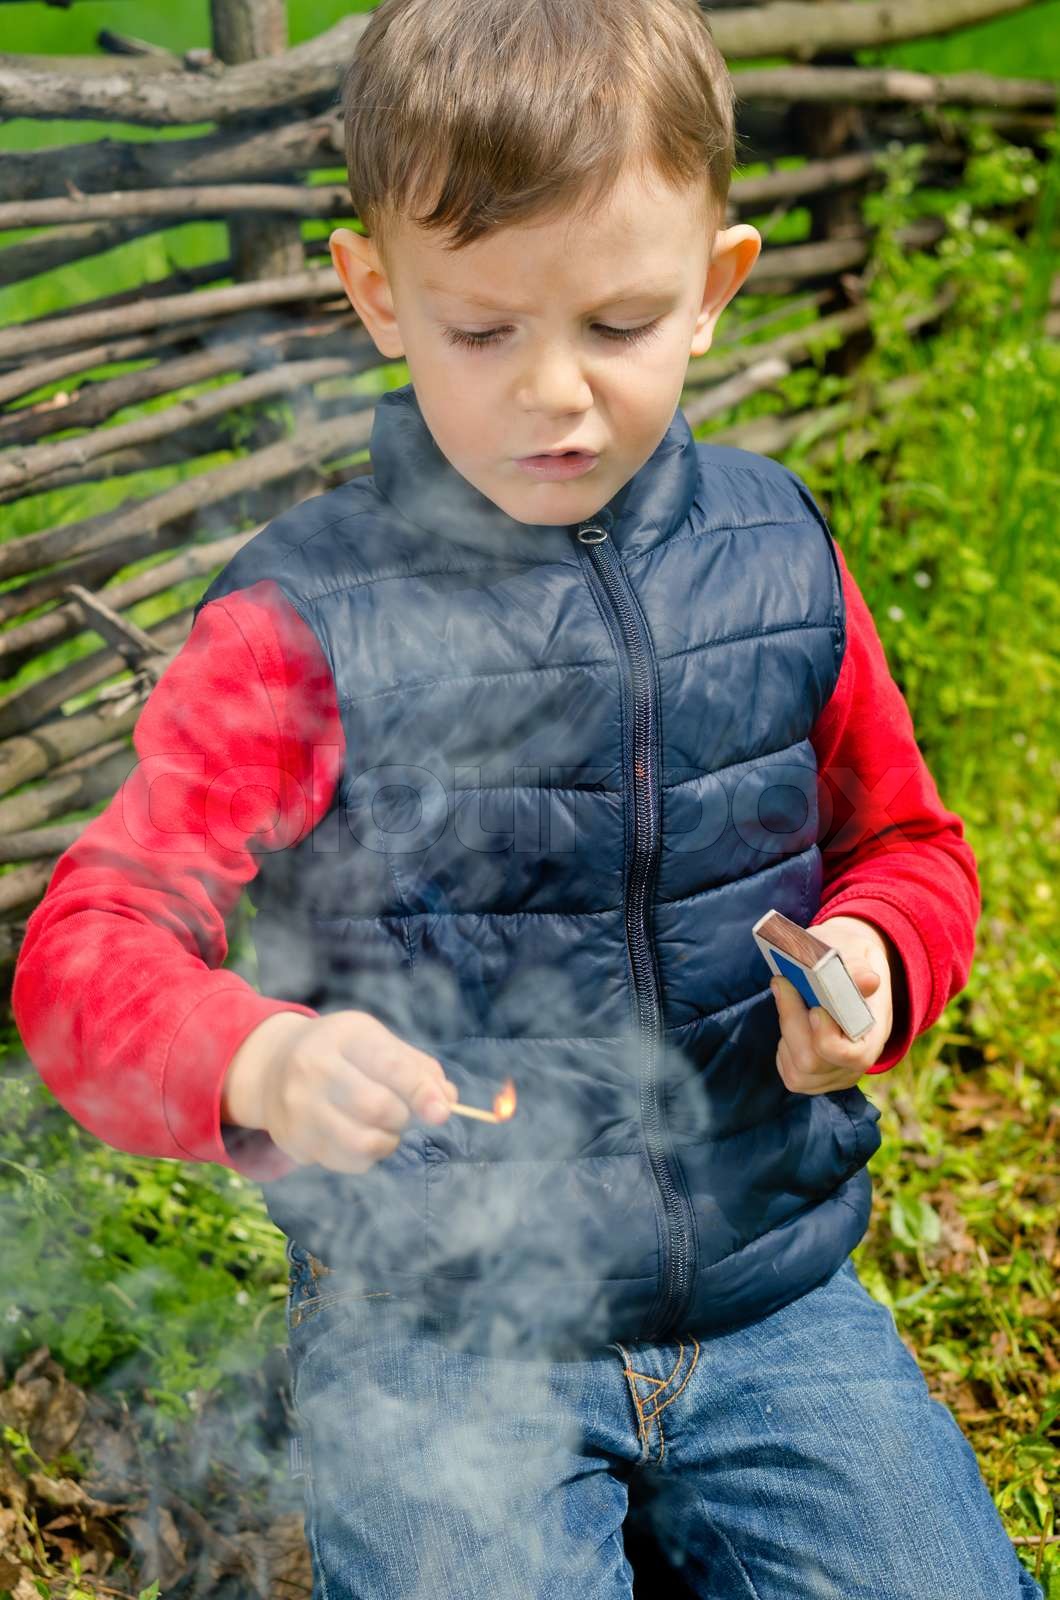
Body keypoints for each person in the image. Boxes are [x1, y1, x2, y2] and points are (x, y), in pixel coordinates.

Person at [12, 1, 1043, 1595]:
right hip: (441, 1339)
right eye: (483, 333)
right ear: (377, 294)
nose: (552, 397)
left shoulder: (779, 551)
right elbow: (87, 951)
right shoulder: (302, 627)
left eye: (618, 326)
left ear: (715, 289)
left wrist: (878, 967)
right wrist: (265, 1057)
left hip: (771, 1298)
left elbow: (910, 848)